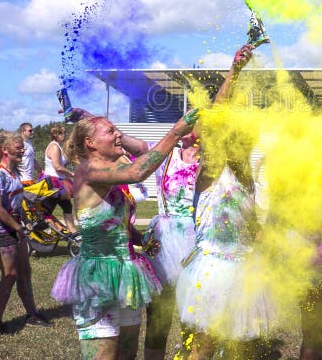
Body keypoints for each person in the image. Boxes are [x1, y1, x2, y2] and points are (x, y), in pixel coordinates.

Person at [51, 108, 195, 360]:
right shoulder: (88, 169)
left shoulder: (110, 170)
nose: (118, 135)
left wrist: (142, 239)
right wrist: (176, 132)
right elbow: (137, 172)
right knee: (103, 355)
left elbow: (117, 223)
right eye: (111, 132)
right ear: (90, 143)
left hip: (127, 272)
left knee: (127, 353)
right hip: (100, 275)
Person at [175, 44, 277, 360]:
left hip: (245, 270)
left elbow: (249, 224)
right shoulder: (214, 169)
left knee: (243, 348)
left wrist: (265, 238)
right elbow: (217, 116)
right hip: (213, 272)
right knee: (204, 346)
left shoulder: (247, 178)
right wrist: (235, 71)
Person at [143, 131, 201, 360]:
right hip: (164, 244)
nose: (187, 125)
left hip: (197, 243)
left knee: (194, 317)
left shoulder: (212, 162)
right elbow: (137, 147)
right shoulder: (166, 155)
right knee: (158, 315)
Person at [0, 131, 51, 333]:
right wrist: (17, 227)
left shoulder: (13, 173)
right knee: (10, 275)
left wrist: (26, 221)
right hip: (3, 229)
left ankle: (32, 314)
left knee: (24, 272)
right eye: (18, 147)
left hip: (16, 227)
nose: (22, 150)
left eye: (22, 147)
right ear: (4, 149)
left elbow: (17, 202)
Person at [41, 124, 78, 234]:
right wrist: (71, 173)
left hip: (60, 181)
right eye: (63, 133)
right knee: (47, 210)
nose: (65, 135)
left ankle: (73, 232)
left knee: (67, 206)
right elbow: (57, 166)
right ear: (57, 134)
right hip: (53, 182)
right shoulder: (54, 147)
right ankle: (58, 231)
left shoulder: (58, 146)